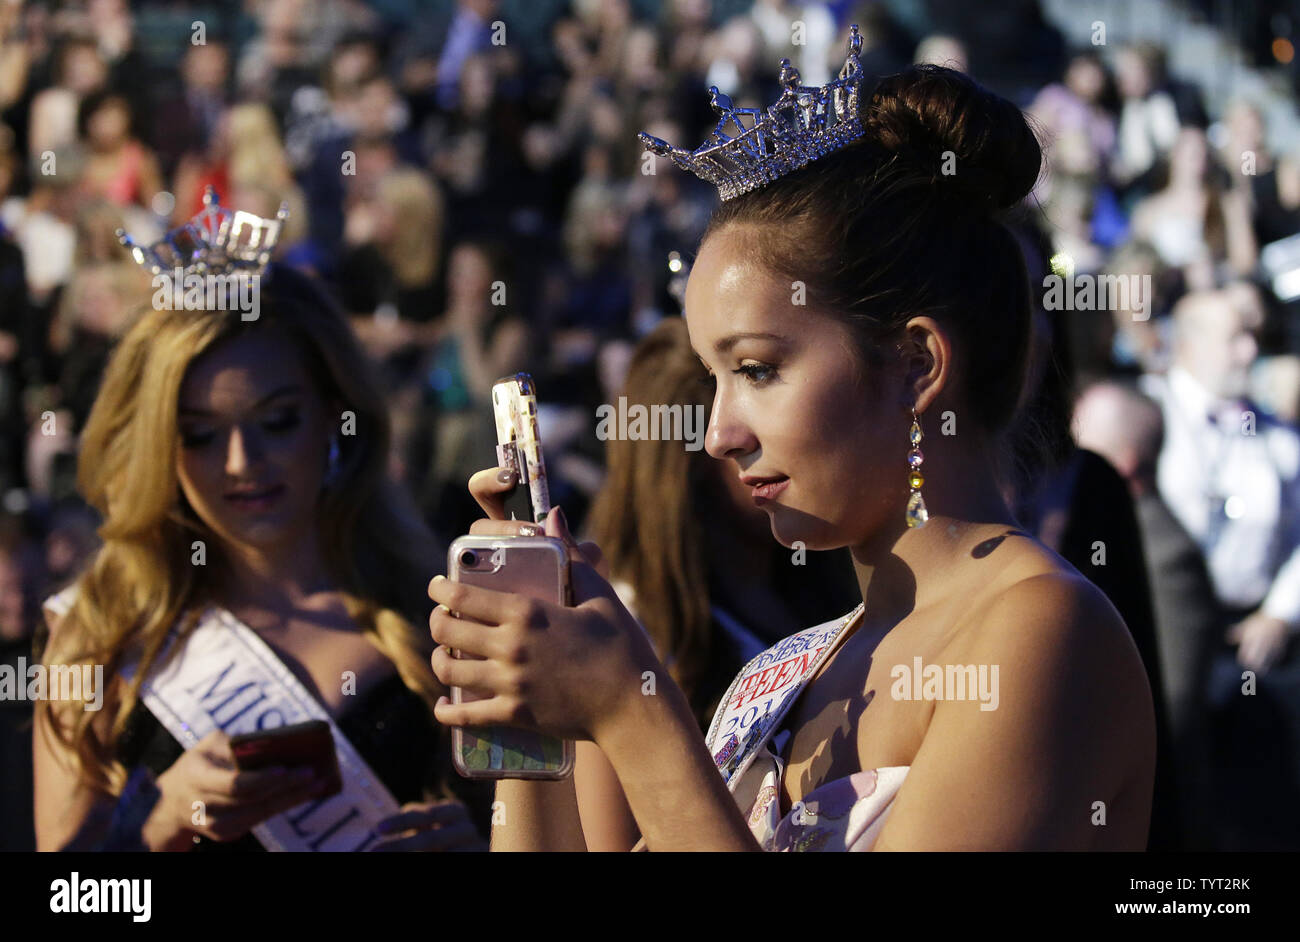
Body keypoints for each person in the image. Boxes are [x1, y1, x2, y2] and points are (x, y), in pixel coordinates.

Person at [426, 49, 1156, 851]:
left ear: (917, 363)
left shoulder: (1042, 632)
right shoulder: (781, 676)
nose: (717, 435)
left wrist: (632, 713)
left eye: (758, 370)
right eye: (714, 379)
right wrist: (528, 721)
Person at [32, 252, 489, 852]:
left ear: (334, 414)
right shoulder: (99, 635)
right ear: (157, 442)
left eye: (277, 421)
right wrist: (161, 824)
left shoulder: (440, 616)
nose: (241, 462)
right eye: (199, 433)